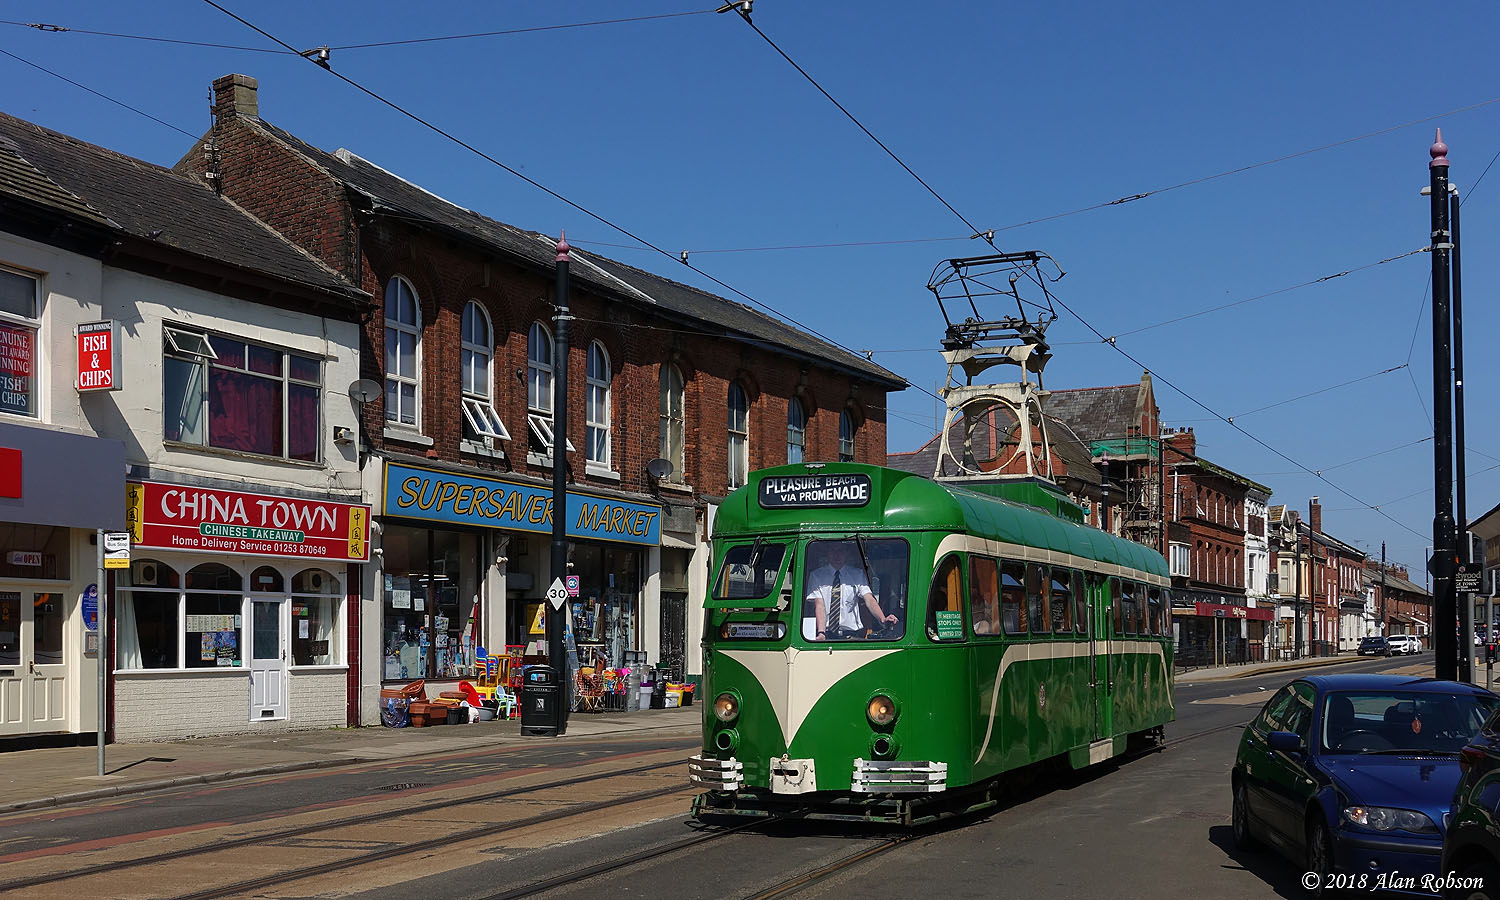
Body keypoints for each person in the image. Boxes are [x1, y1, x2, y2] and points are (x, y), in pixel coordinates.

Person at [805, 542, 897, 640]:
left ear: (847, 553)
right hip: (827, 634)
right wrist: (821, 633)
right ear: (828, 552)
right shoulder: (816, 576)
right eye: (833, 550)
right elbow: (819, 605)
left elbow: (869, 600)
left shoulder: (857, 574)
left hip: (851, 636)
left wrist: (883, 619)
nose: (837, 554)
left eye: (841, 551)